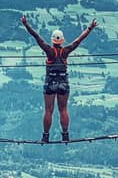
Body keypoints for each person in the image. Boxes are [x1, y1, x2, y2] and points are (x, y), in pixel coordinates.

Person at [21, 14, 97, 143]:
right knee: (63, 110)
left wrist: (26, 24)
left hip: (50, 82)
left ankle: (45, 136)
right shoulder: (66, 51)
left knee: (48, 111)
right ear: (62, 40)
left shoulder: (49, 52)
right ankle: (65, 135)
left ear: (52, 40)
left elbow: (37, 37)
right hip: (63, 82)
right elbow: (78, 40)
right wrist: (89, 28)